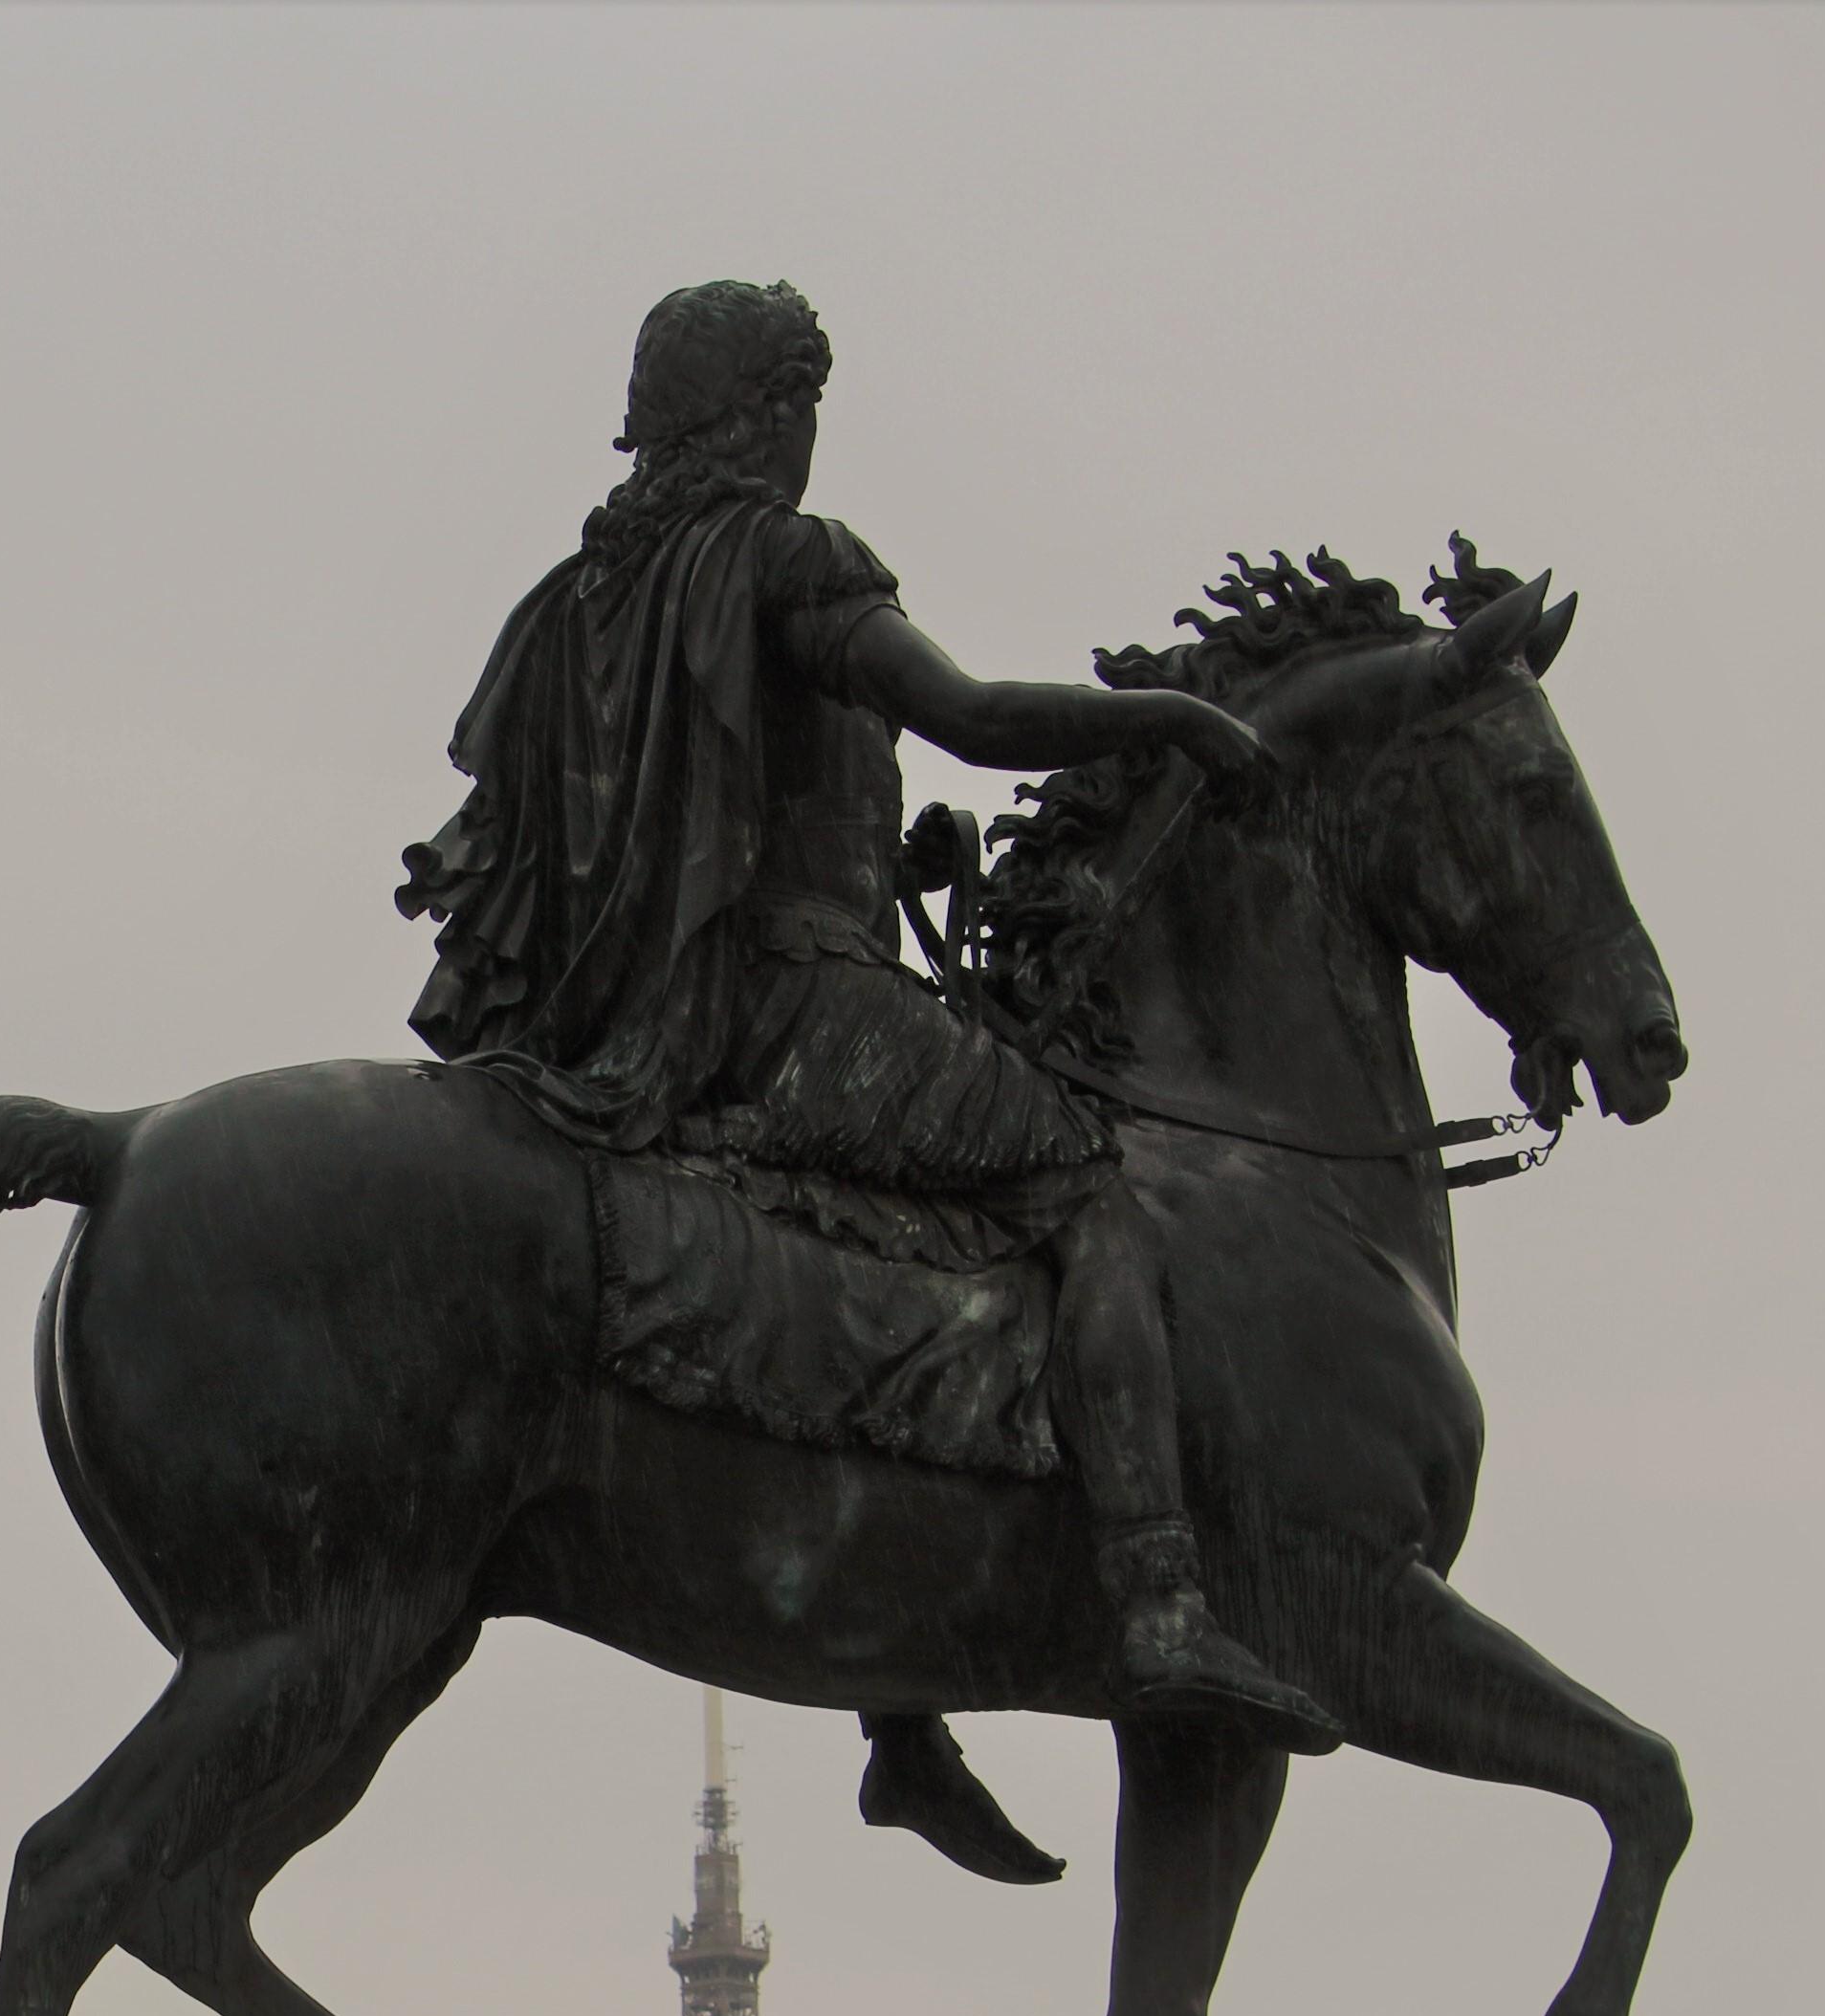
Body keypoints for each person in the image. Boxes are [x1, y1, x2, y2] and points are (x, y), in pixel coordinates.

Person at [398, 278, 1341, 1764]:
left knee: (886, 1244)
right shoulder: (781, 561)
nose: (811, 434)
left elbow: (650, 826)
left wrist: (880, 862)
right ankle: (1159, 1600)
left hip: (659, 1012)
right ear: (767, 415)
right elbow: (966, 713)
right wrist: (1165, 723)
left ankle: (907, 1727)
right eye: (804, 404)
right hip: (793, 1011)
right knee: (1089, 1188)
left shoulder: (585, 599)